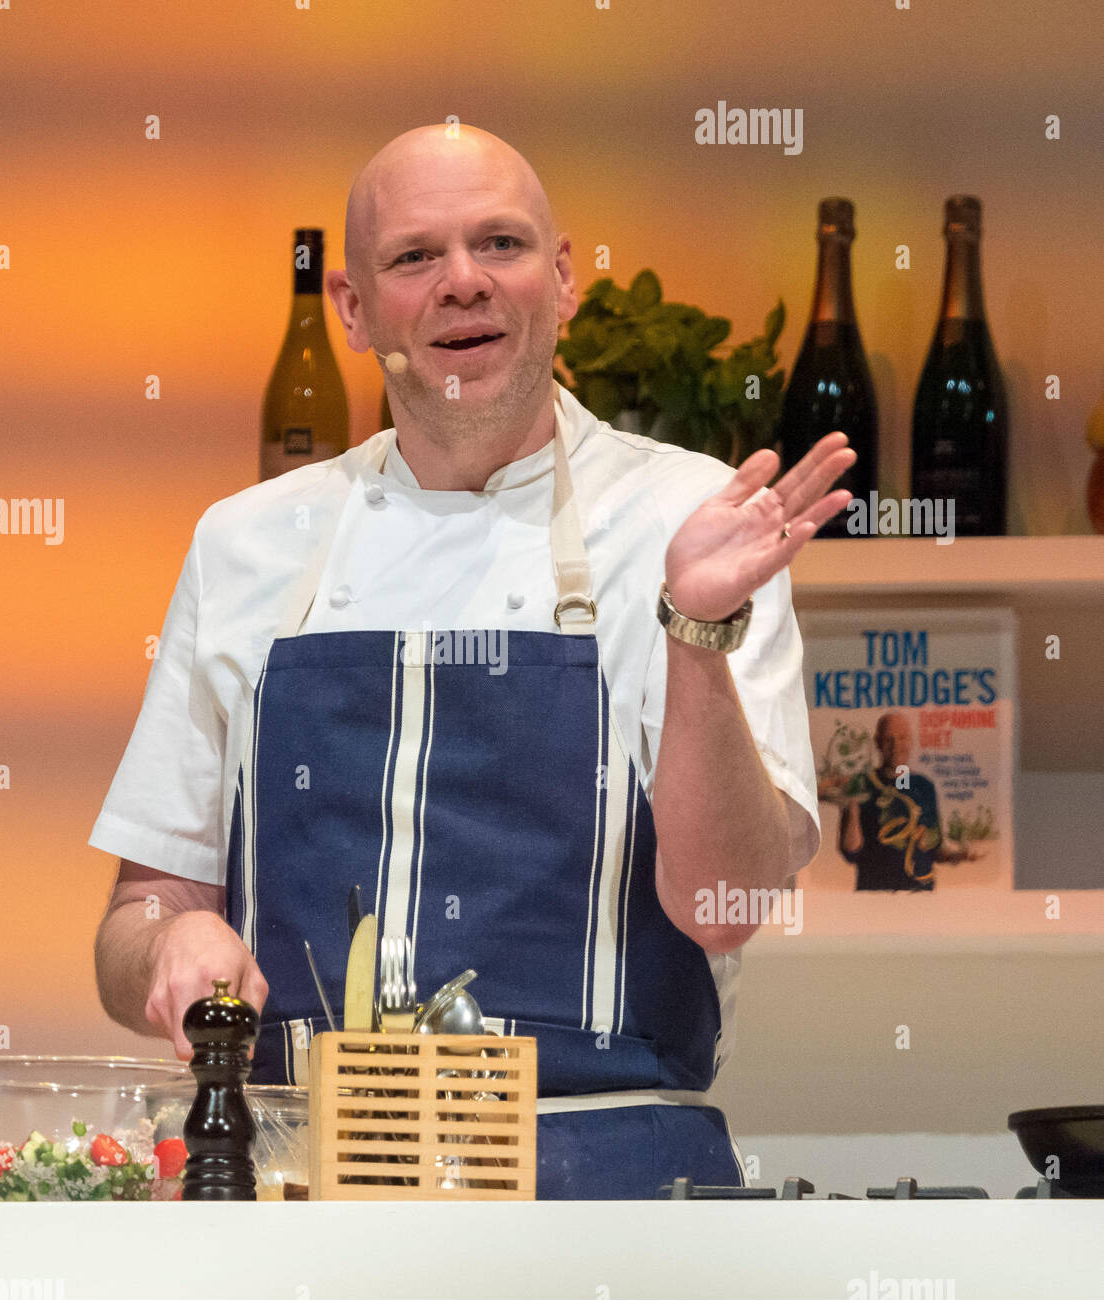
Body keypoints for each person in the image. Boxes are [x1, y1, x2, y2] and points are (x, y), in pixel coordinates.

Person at [90, 123, 853, 1199]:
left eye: (499, 243)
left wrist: (693, 629)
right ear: (352, 310)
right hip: (297, 1188)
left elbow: (723, 904)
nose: (463, 283)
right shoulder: (246, 541)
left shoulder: (695, 518)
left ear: (565, 277)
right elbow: (137, 916)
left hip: (615, 1193)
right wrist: (168, 946)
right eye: (413, 257)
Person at [837, 711, 979, 891]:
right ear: (877, 742)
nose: (896, 745)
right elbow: (851, 853)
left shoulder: (924, 787)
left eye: (902, 738)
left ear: (911, 741)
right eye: (889, 739)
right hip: (874, 897)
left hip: (920, 897)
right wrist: (852, 808)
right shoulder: (861, 785)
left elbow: (934, 848)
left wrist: (957, 855)